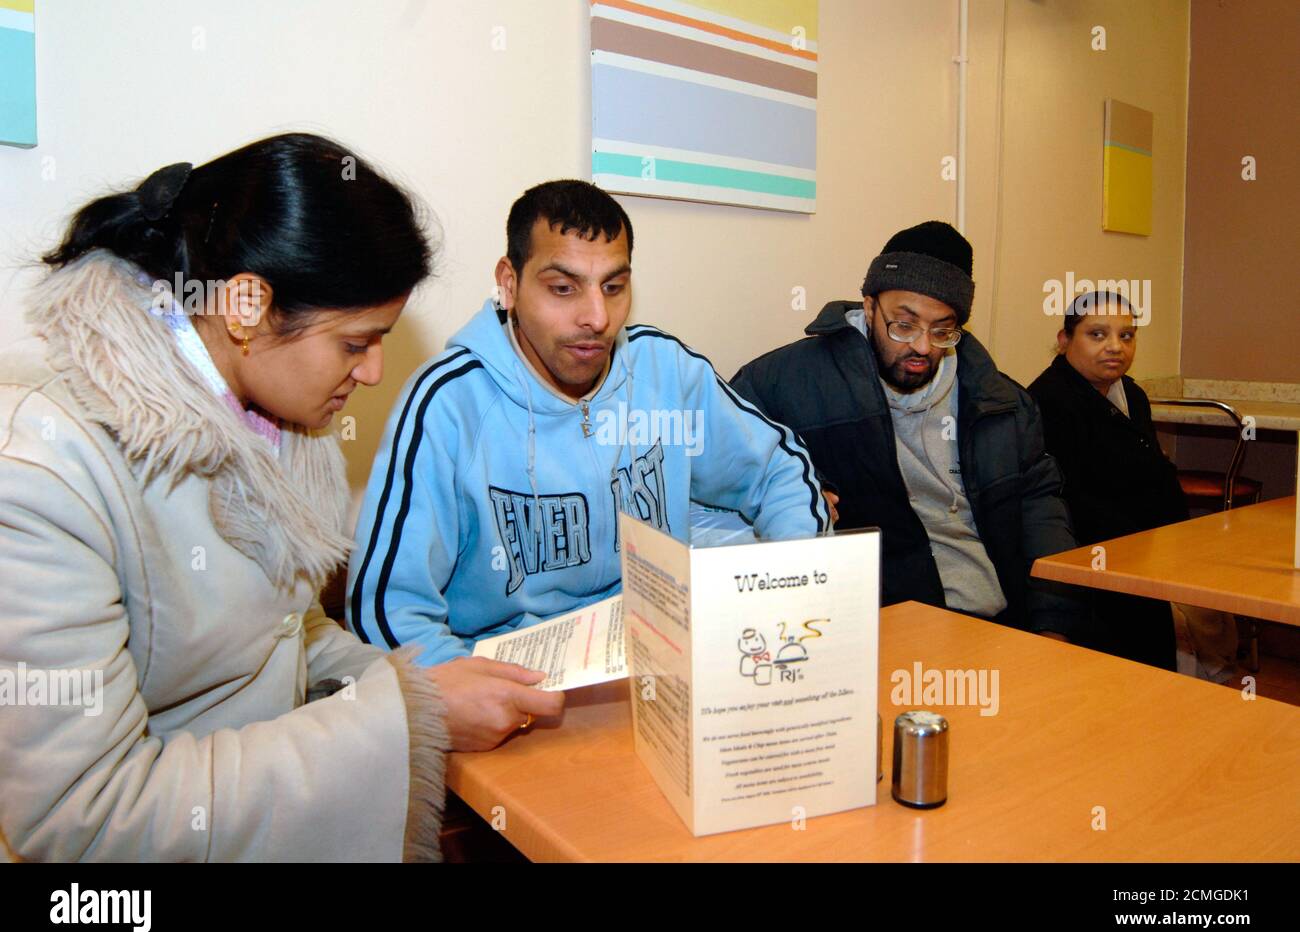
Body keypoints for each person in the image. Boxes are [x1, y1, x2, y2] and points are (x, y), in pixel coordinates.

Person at [0, 133, 555, 862]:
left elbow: (281, 633)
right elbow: (88, 820)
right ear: (246, 308)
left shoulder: (271, 416)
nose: (374, 370)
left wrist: (413, 685)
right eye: (356, 343)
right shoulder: (44, 473)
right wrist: (407, 716)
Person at [347, 180, 830, 665]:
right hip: (515, 678)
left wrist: (786, 599)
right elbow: (386, 612)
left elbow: (777, 471)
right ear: (509, 284)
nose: (597, 318)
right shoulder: (448, 404)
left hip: (661, 653)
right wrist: (460, 693)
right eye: (563, 288)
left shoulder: (663, 371)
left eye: (614, 288)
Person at [730, 221, 1084, 638]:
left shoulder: (1001, 401)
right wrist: (799, 484)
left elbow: (1040, 510)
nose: (921, 346)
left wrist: (1056, 620)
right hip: (877, 629)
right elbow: (727, 468)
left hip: (999, 622)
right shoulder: (785, 382)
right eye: (903, 324)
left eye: (942, 330)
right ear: (869, 306)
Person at [1027, 291, 1189, 670]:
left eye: (1127, 336)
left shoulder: (1131, 392)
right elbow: (1071, 497)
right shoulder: (1048, 400)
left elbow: (1155, 472)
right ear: (1065, 339)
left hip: (1146, 554)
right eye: (1097, 335)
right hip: (1094, 560)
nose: (1115, 347)